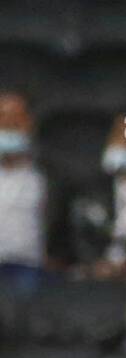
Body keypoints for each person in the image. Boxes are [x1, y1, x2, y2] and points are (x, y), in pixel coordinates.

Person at [51, 115, 126, 279]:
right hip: (92, 274)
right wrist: (94, 263)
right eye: (123, 138)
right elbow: (75, 233)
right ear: (111, 141)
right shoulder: (87, 189)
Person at [0, 90, 48, 298]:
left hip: (30, 269)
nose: (9, 125)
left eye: (16, 119)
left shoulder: (47, 177)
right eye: (3, 118)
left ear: (30, 124)